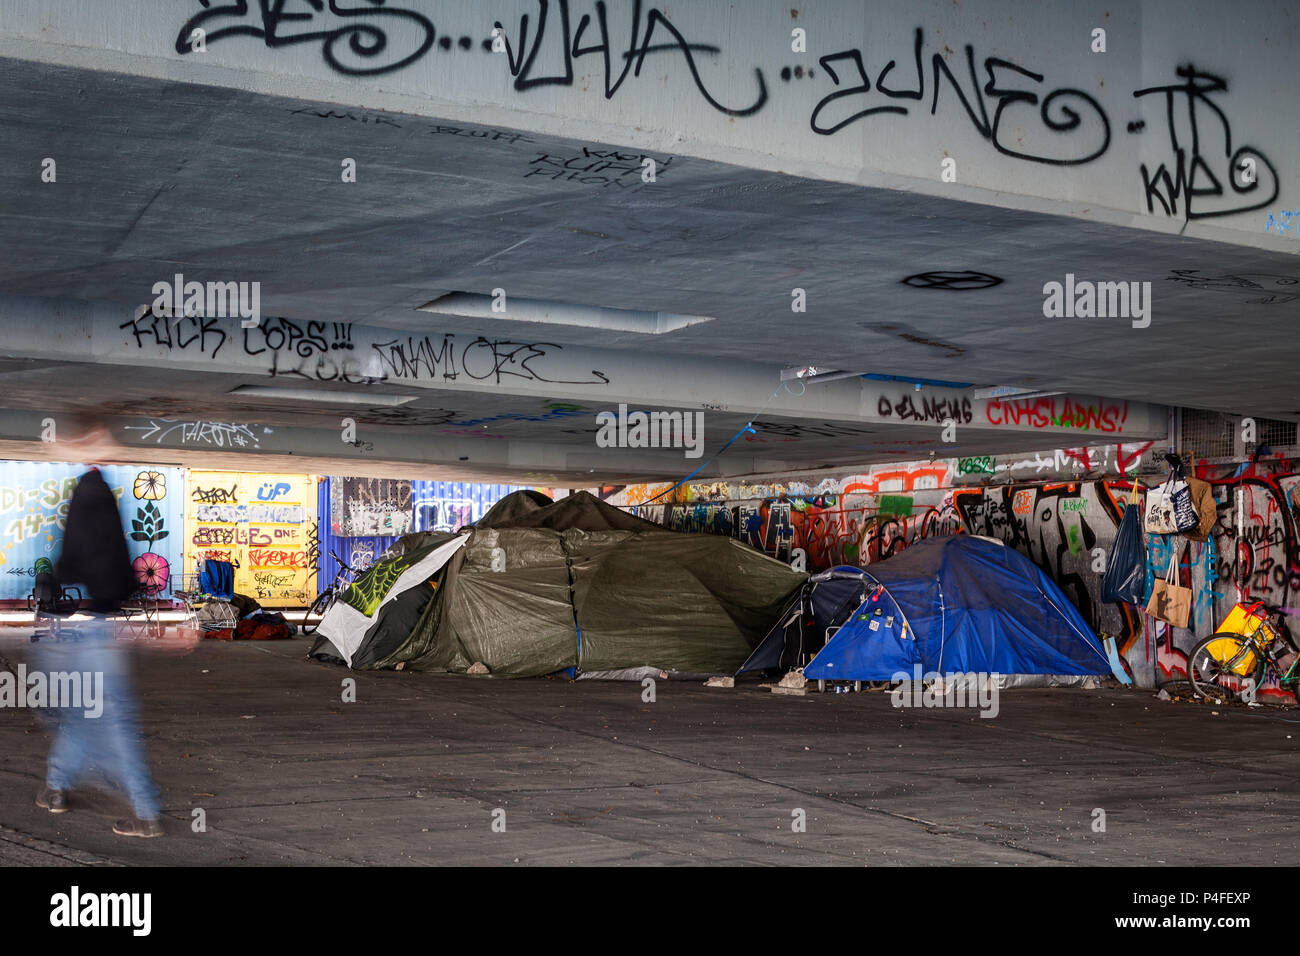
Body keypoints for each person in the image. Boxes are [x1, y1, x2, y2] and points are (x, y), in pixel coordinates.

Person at [35, 422, 165, 837]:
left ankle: (146, 814)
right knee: (84, 713)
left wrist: (64, 592)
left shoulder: (90, 491)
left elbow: (86, 561)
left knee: (104, 720)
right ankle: (56, 787)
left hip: (83, 626)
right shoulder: (99, 489)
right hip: (96, 625)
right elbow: (115, 565)